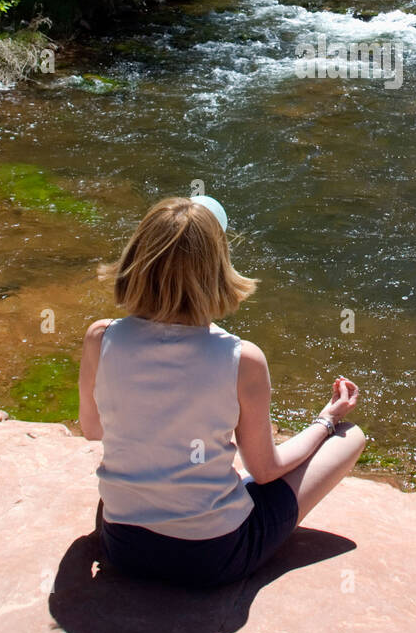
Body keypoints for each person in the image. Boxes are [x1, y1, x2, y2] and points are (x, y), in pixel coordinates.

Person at [77, 195, 365, 588]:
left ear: (136, 260)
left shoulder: (101, 337)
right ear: (216, 269)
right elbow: (265, 471)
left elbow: (93, 430)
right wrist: (326, 420)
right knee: (351, 438)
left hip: (123, 545)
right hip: (213, 557)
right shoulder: (241, 358)